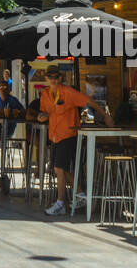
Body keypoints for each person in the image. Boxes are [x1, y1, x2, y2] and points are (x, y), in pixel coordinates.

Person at [37, 67, 112, 216]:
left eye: (56, 77)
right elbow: (44, 112)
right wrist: (42, 116)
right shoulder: (45, 94)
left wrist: (105, 116)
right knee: (61, 170)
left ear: (60, 78)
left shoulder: (68, 92)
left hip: (68, 135)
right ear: (46, 78)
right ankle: (81, 195)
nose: (53, 79)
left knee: (59, 168)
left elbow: (89, 101)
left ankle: (60, 203)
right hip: (54, 136)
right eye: (50, 77)